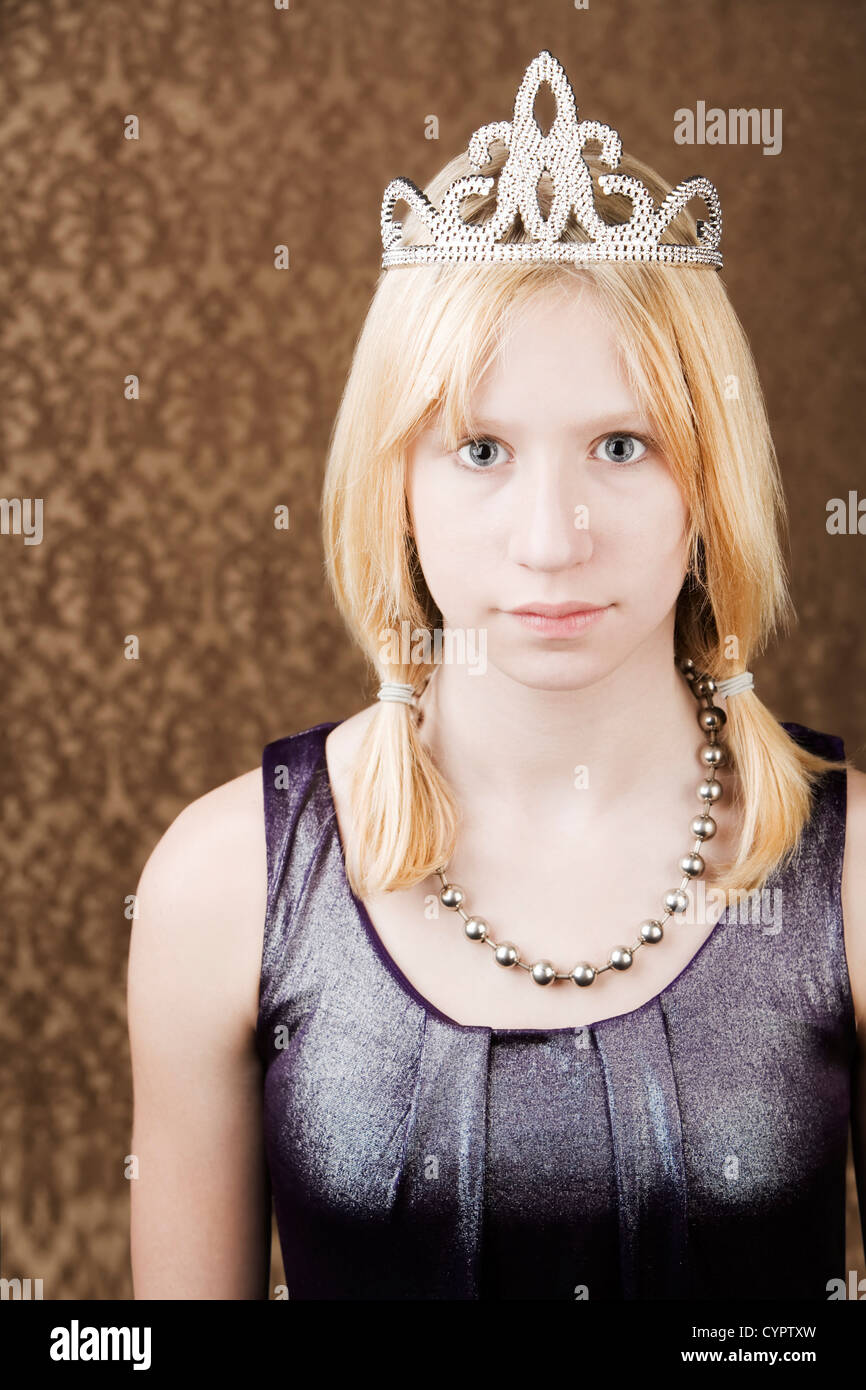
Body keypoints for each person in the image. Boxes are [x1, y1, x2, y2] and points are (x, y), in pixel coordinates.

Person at [128, 51, 866, 1300]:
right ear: (395, 490)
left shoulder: (847, 883)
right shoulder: (221, 886)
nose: (549, 539)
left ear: (710, 484)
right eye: (477, 449)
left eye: (620, 446)